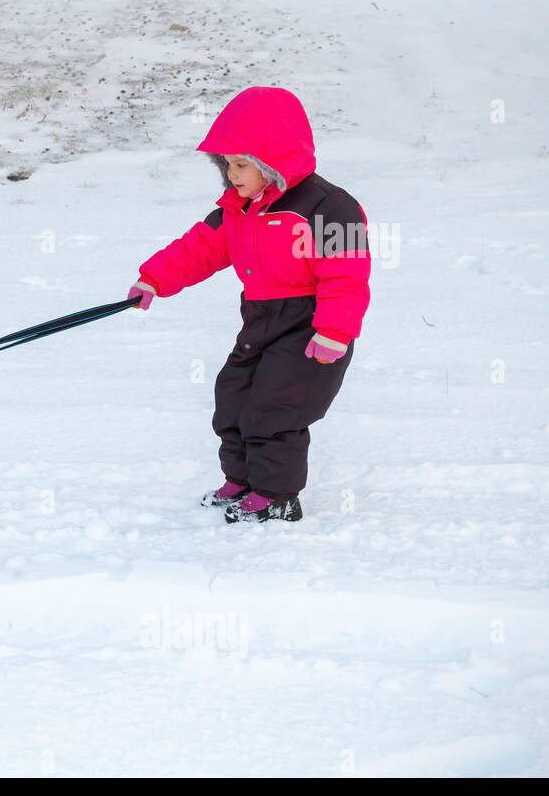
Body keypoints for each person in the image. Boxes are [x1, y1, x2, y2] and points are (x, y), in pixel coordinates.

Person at [126, 87, 371, 523]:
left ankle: (277, 495)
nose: (231, 173)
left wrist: (335, 330)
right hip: (259, 318)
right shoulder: (239, 209)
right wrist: (153, 279)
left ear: (272, 162)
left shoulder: (333, 208)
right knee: (234, 396)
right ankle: (242, 480)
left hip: (311, 325)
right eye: (226, 164)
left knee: (275, 407)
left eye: (241, 164)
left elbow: (348, 272)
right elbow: (198, 249)